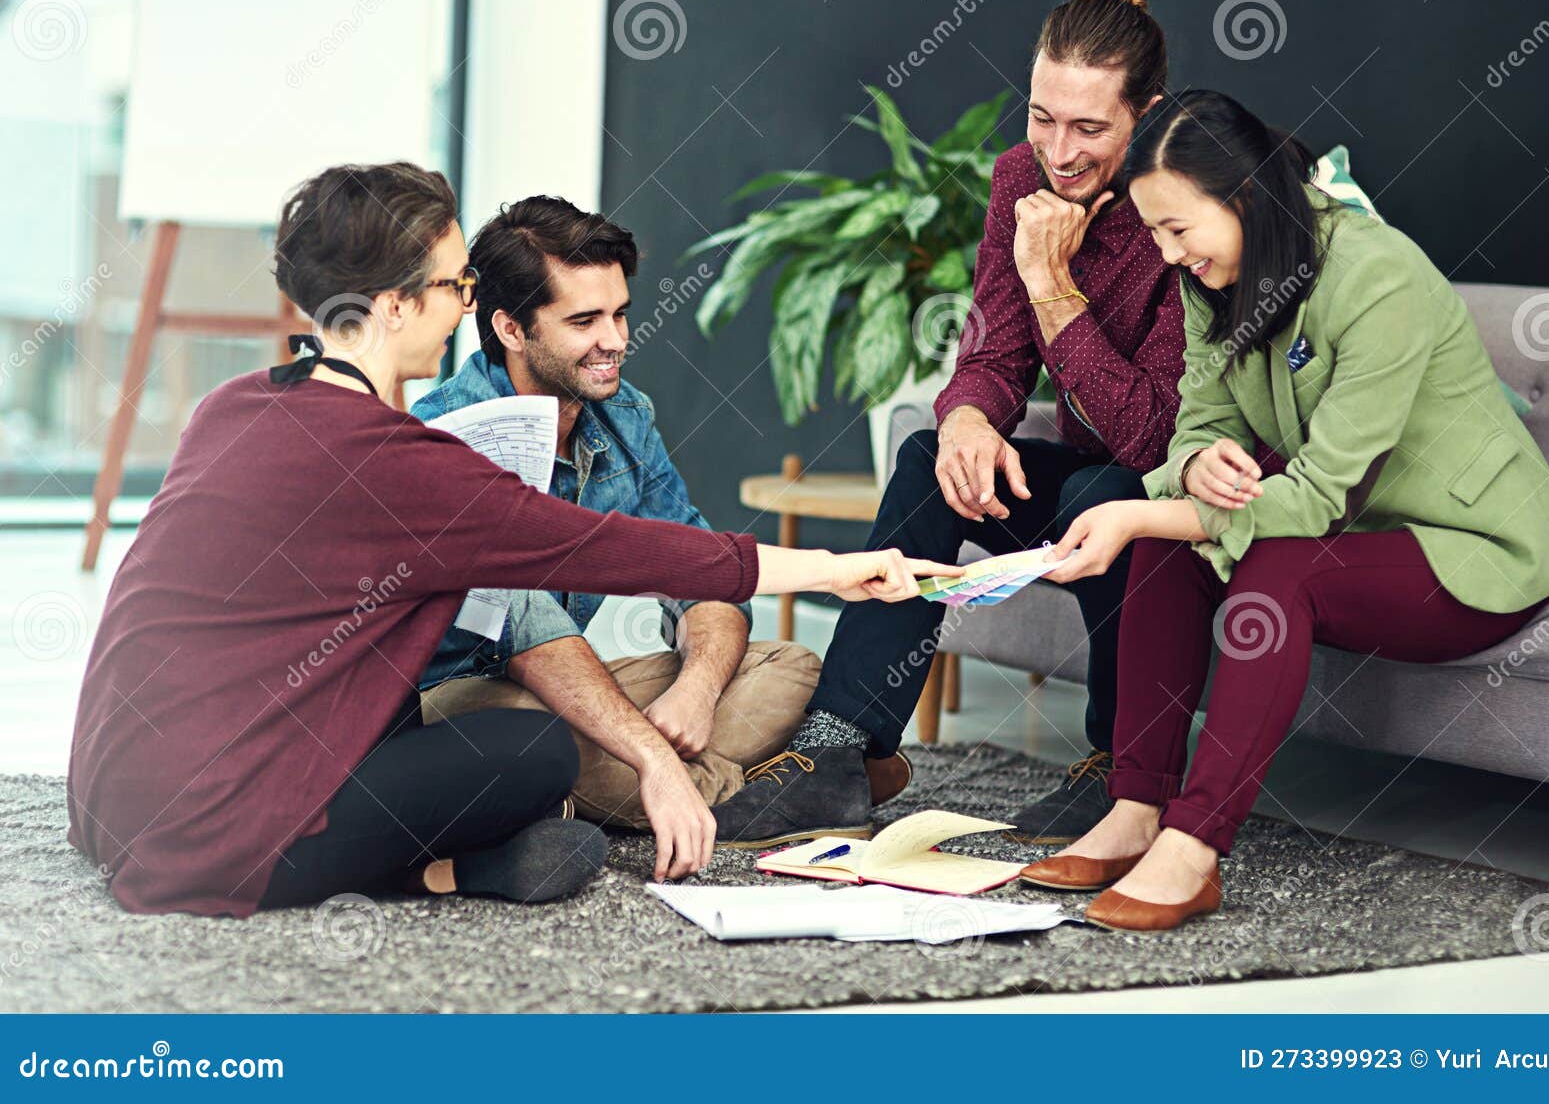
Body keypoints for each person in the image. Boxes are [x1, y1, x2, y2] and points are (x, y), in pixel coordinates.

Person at [64, 162, 959, 918]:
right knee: (532, 754)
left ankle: (463, 860)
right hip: (204, 838)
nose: (463, 306)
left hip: (112, 794)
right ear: (394, 305)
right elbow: (611, 549)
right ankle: (439, 870)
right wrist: (837, 568)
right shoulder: (399, 459)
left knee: (754, 675)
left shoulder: (235, 403)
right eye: (455, 287)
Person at [1018, 90, 1549, 931]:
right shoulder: (1211, 278)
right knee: (1168, 547)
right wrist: (1195, 462)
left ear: (1244, 195)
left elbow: (1320, 494)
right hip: (1356, 536)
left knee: (1271, 568)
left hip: (1473, 547)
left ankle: (1194, 846)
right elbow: (1197, 421)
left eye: (1178, 228)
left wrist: (1141, 511)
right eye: (1156, 233)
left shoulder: (1377, 275)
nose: (1168, 253)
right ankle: (1135, 808)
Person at [711, 0, 1188, 849]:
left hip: (1179, 493)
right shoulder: (1019, 179)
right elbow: (994, 351)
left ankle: (1123, 763)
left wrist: (1052, 282)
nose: (1058, 152)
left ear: (1146, 116)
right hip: (1084, 479)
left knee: (1108, 488)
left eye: (1089, 128)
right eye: (1042, 117)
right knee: (928, 456)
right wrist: (969, 418)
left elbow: (1151, 437)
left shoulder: (1184, 207)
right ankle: (840, 750)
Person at [408, 196, 912, 836]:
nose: (616, 341)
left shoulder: (625, 417)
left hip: (573, 684)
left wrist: (695, 692)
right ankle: (757, 794)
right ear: (511, 329)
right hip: (454, 699)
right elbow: (526, 635)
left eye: (619, 314)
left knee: (791, 670)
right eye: (585, 321)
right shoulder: (445, 435)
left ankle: (568, 798)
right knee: (538, 742)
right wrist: (648, 747)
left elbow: (701, 571)